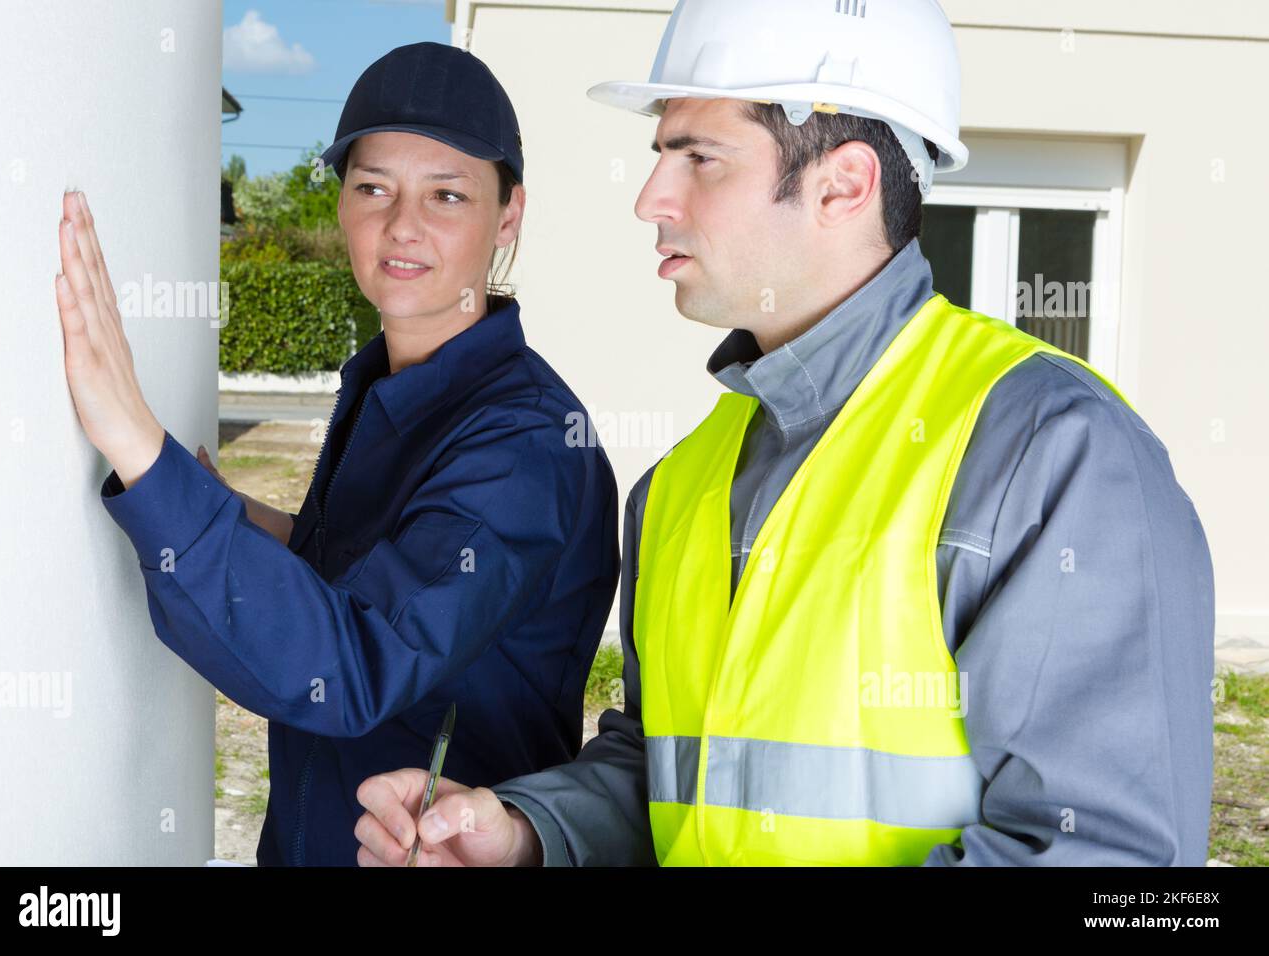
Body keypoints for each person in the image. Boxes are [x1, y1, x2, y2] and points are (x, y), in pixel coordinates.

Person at [353, 0, 1215, 867]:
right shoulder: (680, 485)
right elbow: (670, 769)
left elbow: (1110, 863)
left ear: (843, 185)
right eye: (661, 155)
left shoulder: (1051, 453)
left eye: (699, 158)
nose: (651, 198)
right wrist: (528, 833)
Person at [54, 42, 620, 866]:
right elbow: (367, 565)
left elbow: (358, 660)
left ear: (509, 216)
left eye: (447, 195)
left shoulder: (526, 443)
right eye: (373, 187)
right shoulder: (384, 385)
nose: (402, 225)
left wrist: (134, 441)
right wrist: (221, 507)